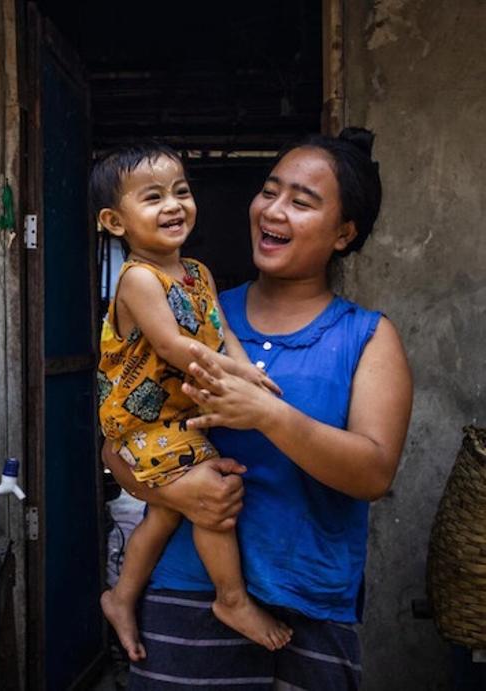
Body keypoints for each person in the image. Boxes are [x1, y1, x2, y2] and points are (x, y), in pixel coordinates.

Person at [103, 128, 413, 690]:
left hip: (309, 604)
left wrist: (268, 414)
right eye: (270, 191)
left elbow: (373, 473)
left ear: (344, 234)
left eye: (301, 201)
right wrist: (172, 491)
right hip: (185, 593)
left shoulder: (366, 339)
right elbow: (119, 446)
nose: (274, 209)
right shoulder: (190, 313)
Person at [91, 143, 293, 663]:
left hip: (174, 418)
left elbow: (221, 333)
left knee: (163, 514)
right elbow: (173, 347)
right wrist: (236, 379)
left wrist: (250, 372)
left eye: (181, 191)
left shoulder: (198, 274)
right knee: (212, 497)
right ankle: (232, 600)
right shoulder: (138, 279)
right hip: (140, 422)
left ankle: (121, 596)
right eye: (153, 197)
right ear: (115, 221)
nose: (174, 204)